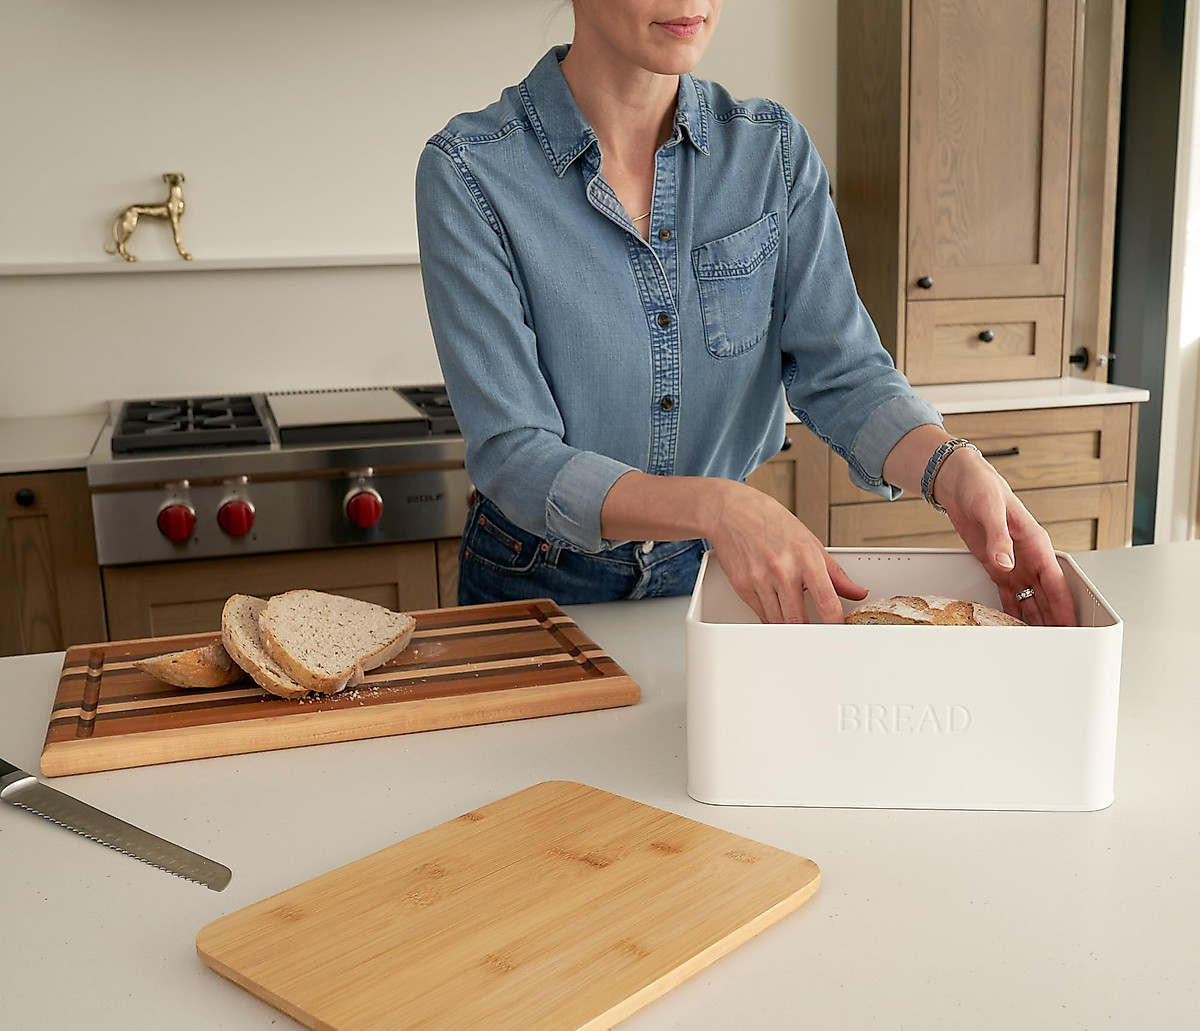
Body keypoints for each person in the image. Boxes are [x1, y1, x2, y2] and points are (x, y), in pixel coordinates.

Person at [415, 1, 1075, 626]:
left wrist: (951, 469)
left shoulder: (771, 152)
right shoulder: (470, 171)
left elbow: (845, 375)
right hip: (535, 576)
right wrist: (716, 505)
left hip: (715, 566)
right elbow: (515, 454)